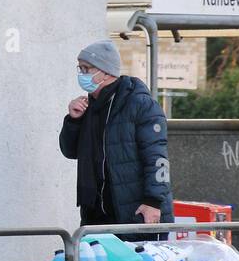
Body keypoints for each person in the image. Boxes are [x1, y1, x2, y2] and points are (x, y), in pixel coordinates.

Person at [59, 39, 173, 230]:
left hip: (135, 212)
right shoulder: (89, 107)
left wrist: (153, 202)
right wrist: (74, 120)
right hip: (95, 214)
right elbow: (70, 151)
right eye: (79, 68)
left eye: (86, 68)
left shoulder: (139, 105)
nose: (81, 74)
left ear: (105, 72)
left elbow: (157, 158)